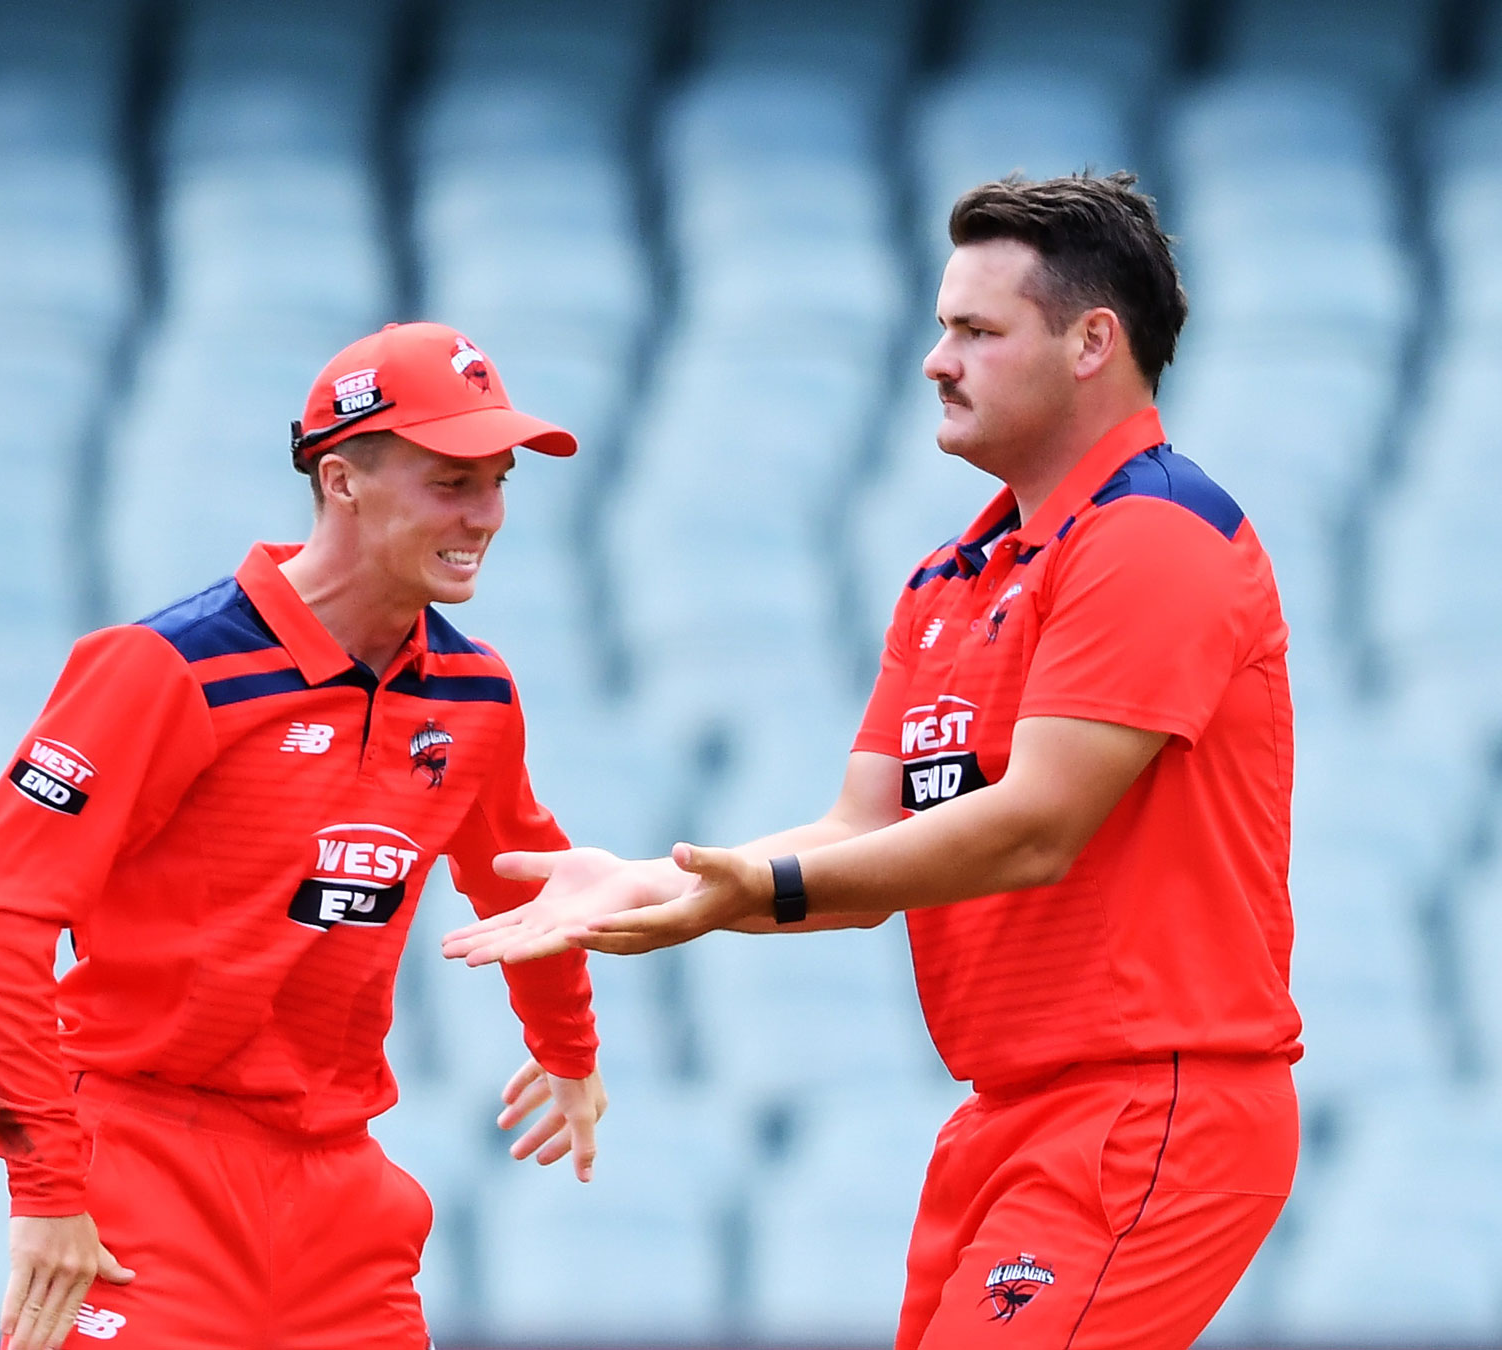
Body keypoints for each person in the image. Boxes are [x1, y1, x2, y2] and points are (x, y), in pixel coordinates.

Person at [446, 173, 1301, 1348]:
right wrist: (661, 880)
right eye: (942, 327)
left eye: (975, 331)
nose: (934, 361)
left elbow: (1036, 827)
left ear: (1094, 342)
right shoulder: (953, 578)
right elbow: (859, 832)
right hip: (1012, 1114)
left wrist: (759, 894)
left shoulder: (1153, 537)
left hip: (1151, 1105)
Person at [0, 321, 610, 1350]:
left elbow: (527, 877)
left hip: (344, 1197)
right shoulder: (167, 669)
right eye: (452, 482)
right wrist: (46, 1184)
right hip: (142, 1173)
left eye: (499, 481)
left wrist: (566, 1046)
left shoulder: (477, 693)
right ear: (341, 480)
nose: (488, 516)